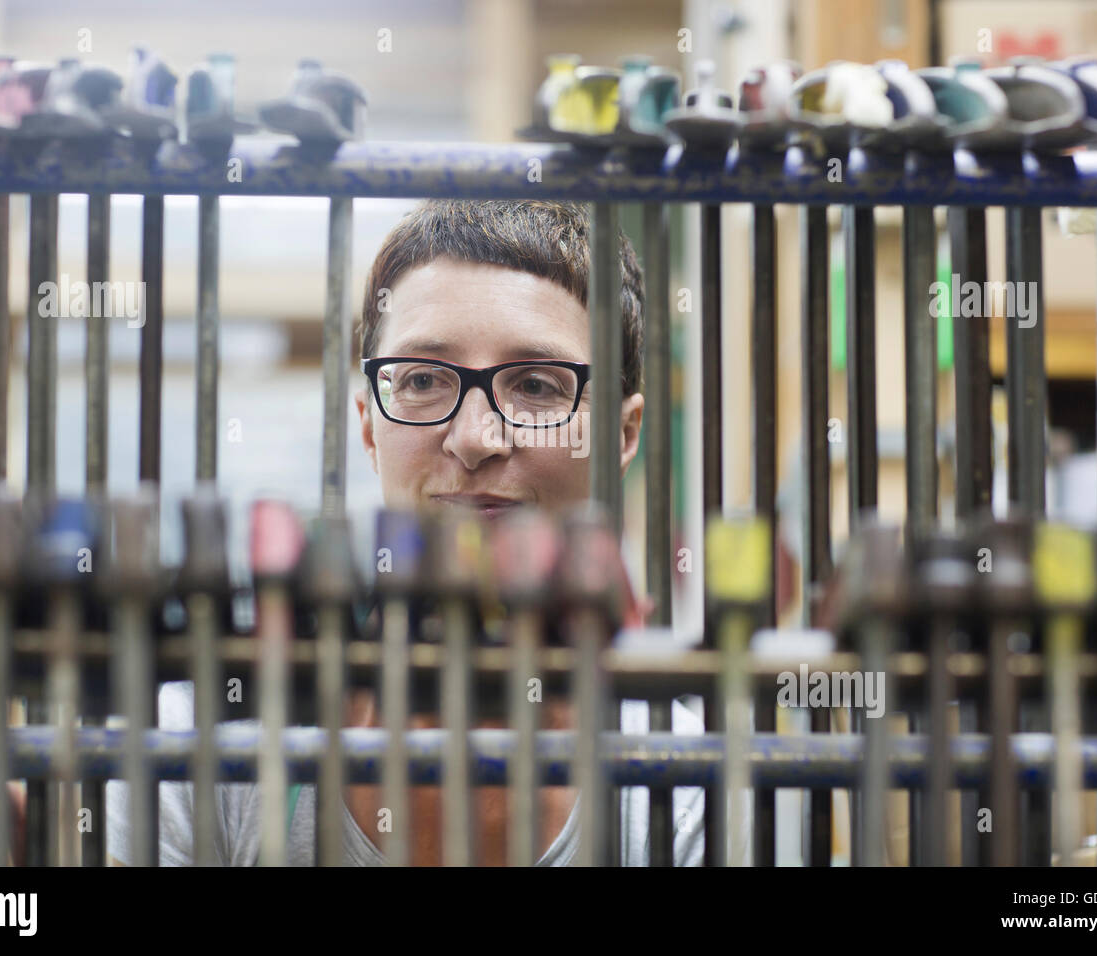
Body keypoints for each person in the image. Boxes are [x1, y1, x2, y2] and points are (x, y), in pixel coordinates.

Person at [105, 198, 707, 866]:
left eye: (537, 385)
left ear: (622, 435)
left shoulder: (683, 777)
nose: (476, 440)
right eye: (423, 379)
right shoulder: (202, 734)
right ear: (367, 423)